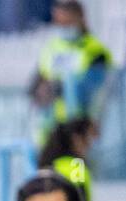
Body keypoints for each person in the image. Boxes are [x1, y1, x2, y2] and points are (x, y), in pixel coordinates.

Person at [29, 1, 112, 143]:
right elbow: (35, 87)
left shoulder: (96, 51)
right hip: (51, 132)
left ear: (81, 18)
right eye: (58, 22)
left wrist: (58, 88)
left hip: (81, 134)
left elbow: (95, 92)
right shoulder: (50, 49)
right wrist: (41, 91)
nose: (62, 27)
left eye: (67, 22)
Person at [37, 117, 99, 201]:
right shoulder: (75, 166)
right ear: (76, 139)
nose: (90, 145)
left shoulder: (52, 165)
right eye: (88, 138)